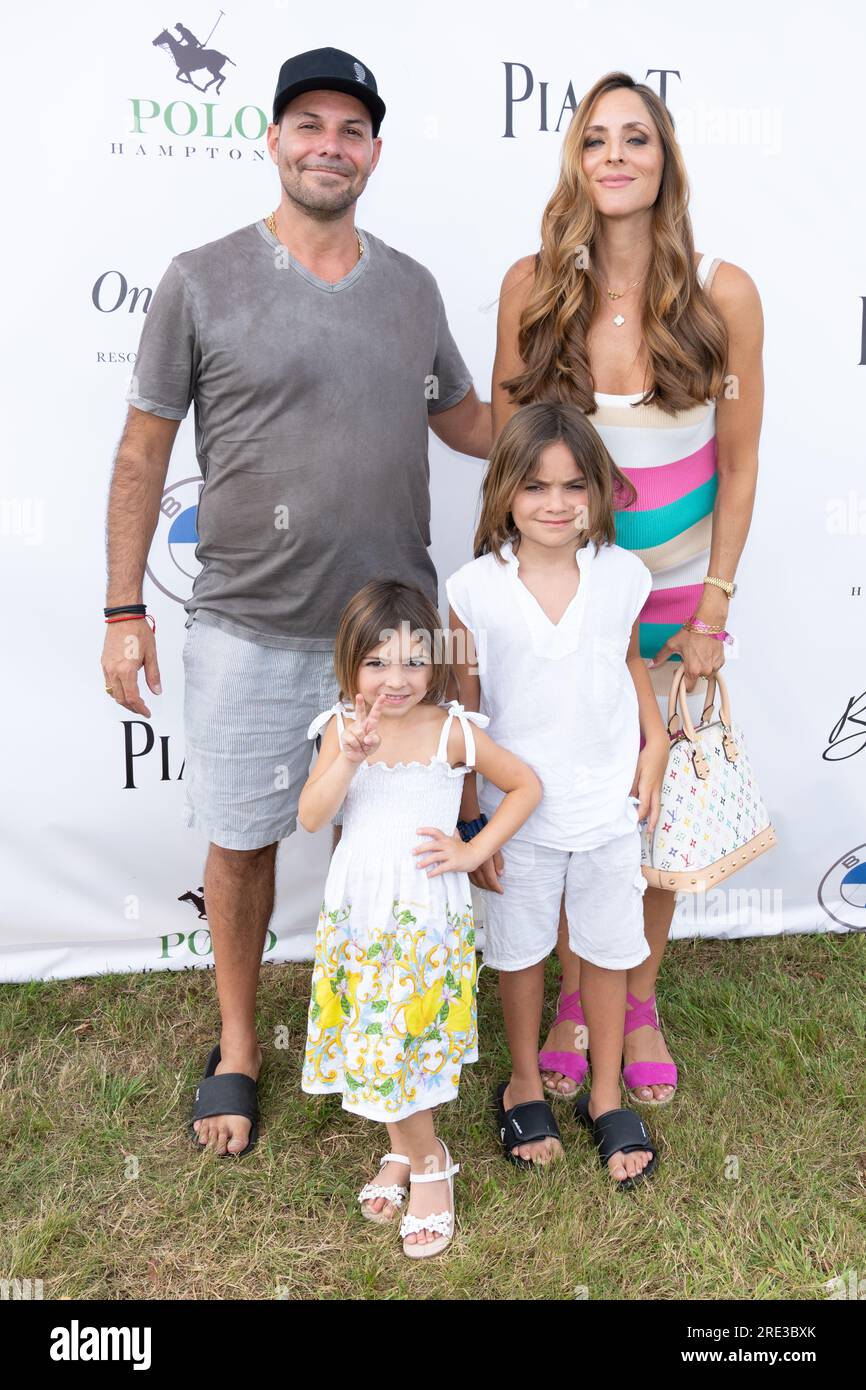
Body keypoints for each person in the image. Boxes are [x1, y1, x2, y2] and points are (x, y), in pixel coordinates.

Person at [101, 47, 491, 1158]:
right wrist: (122, 608)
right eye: (309, 124)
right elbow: (142, 450)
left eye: (351, 128)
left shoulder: (410, 289)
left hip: (391, 640)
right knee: (242, 841)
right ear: (272, 141)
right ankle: (237, 1045)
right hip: (244, 625)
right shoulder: (201, 277)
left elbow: (463, 418)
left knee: (398, 839)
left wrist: (571, 422)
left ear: (374, 151)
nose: (330, 144)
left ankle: (396, 1034)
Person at [490, 71, 764, 1105]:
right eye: (595, 139)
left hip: (671, 606)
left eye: (634, 139)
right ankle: (571, 998)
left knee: (650, 819)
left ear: (663, 160)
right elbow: (509, 454)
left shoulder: (721, 293)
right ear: (575, 161)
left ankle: (635, 999)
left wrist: (714, 605)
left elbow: (736, 465)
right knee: (568, 802)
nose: (614, 155)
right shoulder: (532, 286)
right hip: (561, 603)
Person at [446, 402, 668, 1186]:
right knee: (520, 953)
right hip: (517, 816)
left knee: (608, 949)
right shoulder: (472, 589)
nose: (555, 504)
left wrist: (658, 740)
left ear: (598, 493)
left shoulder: (622, 575)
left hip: (607, 805)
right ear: (505, 490)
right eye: (536, 486)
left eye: (575, 486)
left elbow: (630, 660)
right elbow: (464, 710)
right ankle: (524, 1082)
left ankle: (605, 1093)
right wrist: (472, 817)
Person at [298, 579, 541, 1255]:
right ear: (349, 664)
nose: (394, 679)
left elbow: (526, 786)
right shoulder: (342, 730)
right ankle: (404, 1152)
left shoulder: (452, 731)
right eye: (377, 662)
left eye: (411, 660)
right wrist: (347, 758)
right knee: (376, 1036)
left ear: (434, 662)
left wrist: (473, 851)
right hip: (361, 915)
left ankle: (430, 1163)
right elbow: (313, 816)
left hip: (424, 919)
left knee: (405, 1034)